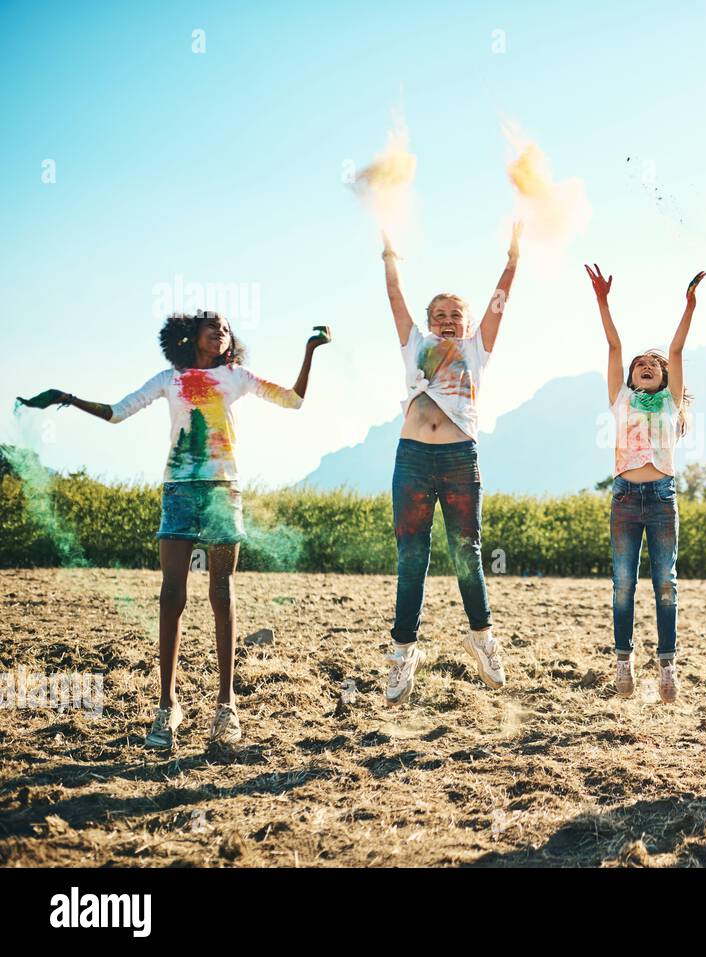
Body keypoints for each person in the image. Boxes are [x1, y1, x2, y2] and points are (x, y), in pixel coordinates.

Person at [22, 310, 328, 749]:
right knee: (172, 594)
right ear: (191, 336)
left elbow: (294, 400)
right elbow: (116, 412)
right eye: (212, 326)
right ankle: (167, 707)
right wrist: (68, 398)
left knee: (221, 591)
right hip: (179, 490)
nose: (221, 332)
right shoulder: (170, 378)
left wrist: (309, 352)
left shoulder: (236, 376)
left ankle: (227, 707)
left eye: (226, 328)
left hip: (223, 489)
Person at [380, 224, 521, 703]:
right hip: (413, 460)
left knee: (468, 555)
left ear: (465, 322)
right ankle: (403, 655)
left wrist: (512, 259)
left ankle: (482, 639)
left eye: (454, 315)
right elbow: (395, 295)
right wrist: (389, 253)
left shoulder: (475, 349)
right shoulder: (414, 344)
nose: (446, 320)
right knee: (411, 560)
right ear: (427, 320)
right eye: (438, 314)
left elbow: (501, 301)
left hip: (460, 459)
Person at [585, 264, 704, 703]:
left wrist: (688, 306)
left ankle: (667, 665)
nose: (647, 366)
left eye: (654, 364)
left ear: (667, 375)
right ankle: (623, 660)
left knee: (666, 583)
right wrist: (603, 301)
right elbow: (614, 344)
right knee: (622, 583)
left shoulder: (671, 403)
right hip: (624, 498)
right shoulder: (621, 398)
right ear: (631, 378)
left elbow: (677, 348)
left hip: (661, 498)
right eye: (641, 365)